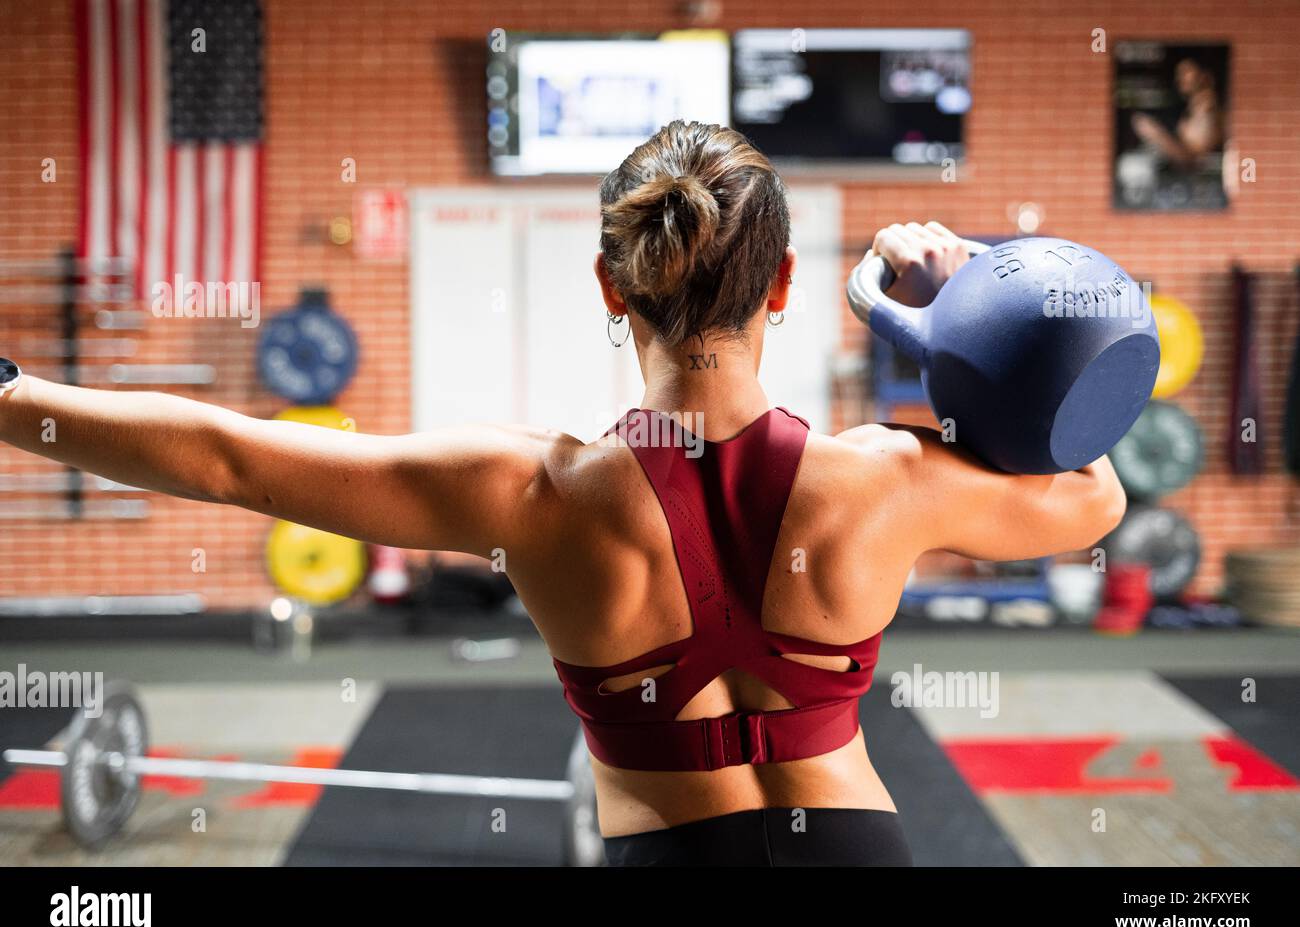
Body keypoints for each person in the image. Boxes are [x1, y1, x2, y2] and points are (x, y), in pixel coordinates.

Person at [0, 120, 1125, 866]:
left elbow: (229, 458)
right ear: (784, 285)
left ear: (610, 282)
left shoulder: (532, 494)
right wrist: (962, 310)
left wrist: (11, 395)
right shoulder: (886, 479)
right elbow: (1092, 490)